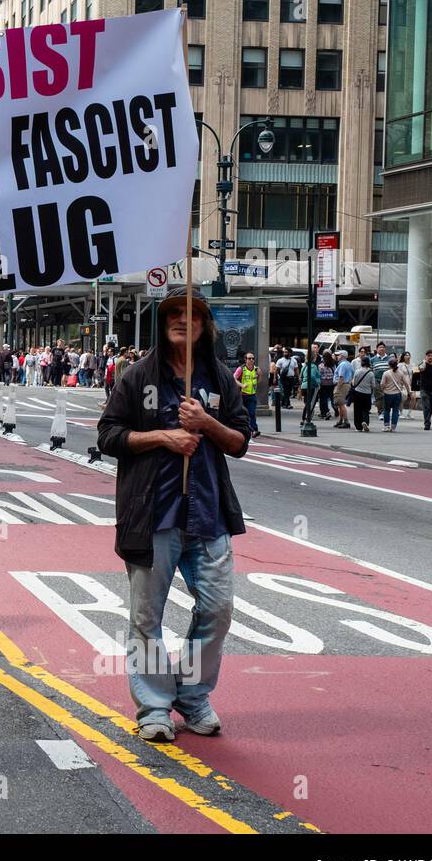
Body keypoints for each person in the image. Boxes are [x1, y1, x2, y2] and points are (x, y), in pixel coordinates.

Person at [96, 286, 251, 743]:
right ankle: (153, 705)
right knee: (147, 619)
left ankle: (193, 694)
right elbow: (108, 436)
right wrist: (164, 437)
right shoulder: (138, 376)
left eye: (195, 315)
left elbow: (240, 441)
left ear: (205, 326)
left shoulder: (221, 377)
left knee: (218, 610)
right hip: (151, 515)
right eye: (174, 315)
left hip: (208, 514)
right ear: (163, 325)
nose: (185, 321)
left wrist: (207, 424)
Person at [379, 354, 411, 432]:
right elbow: (406, 383)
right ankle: (393, 427)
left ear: (389, 365)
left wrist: (383, 389)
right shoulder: (401, 373)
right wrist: (408, 391)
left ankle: (386, 426)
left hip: (388, 394)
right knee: (396, 410)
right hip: (397, 394)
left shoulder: (386, 373)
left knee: (387, 410)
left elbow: (382, 384)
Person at [234, 352, 261, 438]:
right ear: (245, 360)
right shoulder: (241, 369)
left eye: (253, 358)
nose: (252, 360)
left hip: (252, 395)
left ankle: (254, 430)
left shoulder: (256, 369)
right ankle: (240, 429)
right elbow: (234, 378)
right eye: (249, 358)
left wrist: (258, 377)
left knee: (252, 413)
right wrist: (242, 385)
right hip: (242, 395)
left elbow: (259, 379)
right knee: (242, 413)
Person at [349, 356, 378, 432]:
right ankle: (365, 421)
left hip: (357, 393)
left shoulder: (357, 371)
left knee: (357, 410)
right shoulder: (371, 373)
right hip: (367, 393)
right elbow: (373, 385)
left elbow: (354, 382)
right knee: (366, 409)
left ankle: (358, 427)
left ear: (362, 363)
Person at [333, 349, 353, 428]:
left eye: (339, 355)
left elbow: (341, 377)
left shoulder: (342, 365)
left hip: (342, 385)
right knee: (340, 404)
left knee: (341, 404)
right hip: (346, 384)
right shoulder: (348, 364)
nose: (337, 356)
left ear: (343, 356)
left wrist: (338, 388)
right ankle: (340, 420)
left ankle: (346, 421)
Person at [317, 352, 336, 421]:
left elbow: (319, 375)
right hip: (331, 384)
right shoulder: (333, 364)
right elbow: (335, 373)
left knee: (323, 399)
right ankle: (336, 410)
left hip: (323, 384)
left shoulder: (321, 365)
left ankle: (324, 412)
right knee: (332, 398)